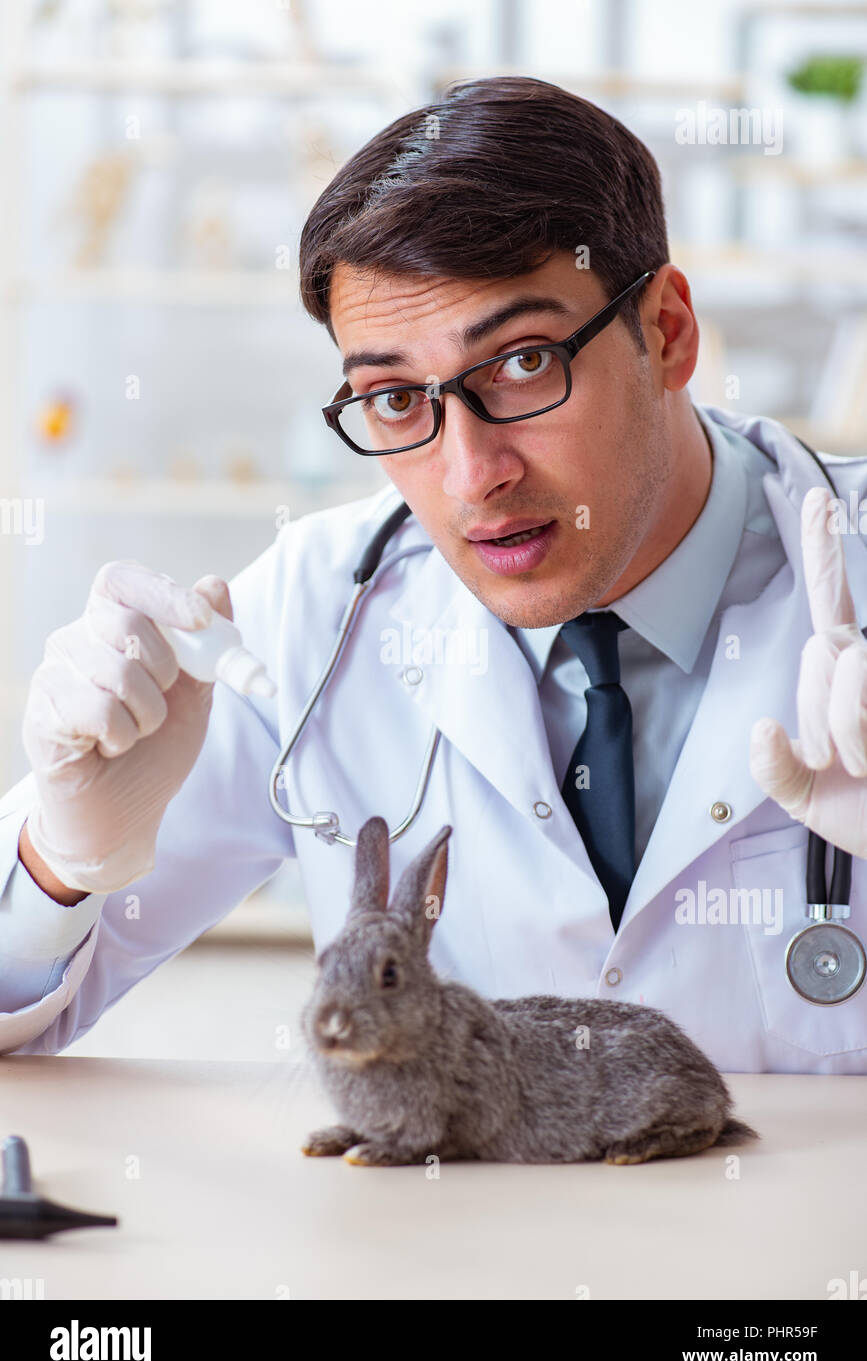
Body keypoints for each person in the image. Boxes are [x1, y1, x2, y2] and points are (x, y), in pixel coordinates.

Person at [2, 75, 866, 1071]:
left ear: (665, 332)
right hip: (441, 1231)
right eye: (396, 399)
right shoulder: (313, 616)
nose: (472, 474)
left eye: (526, 363)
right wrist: (61, 863)